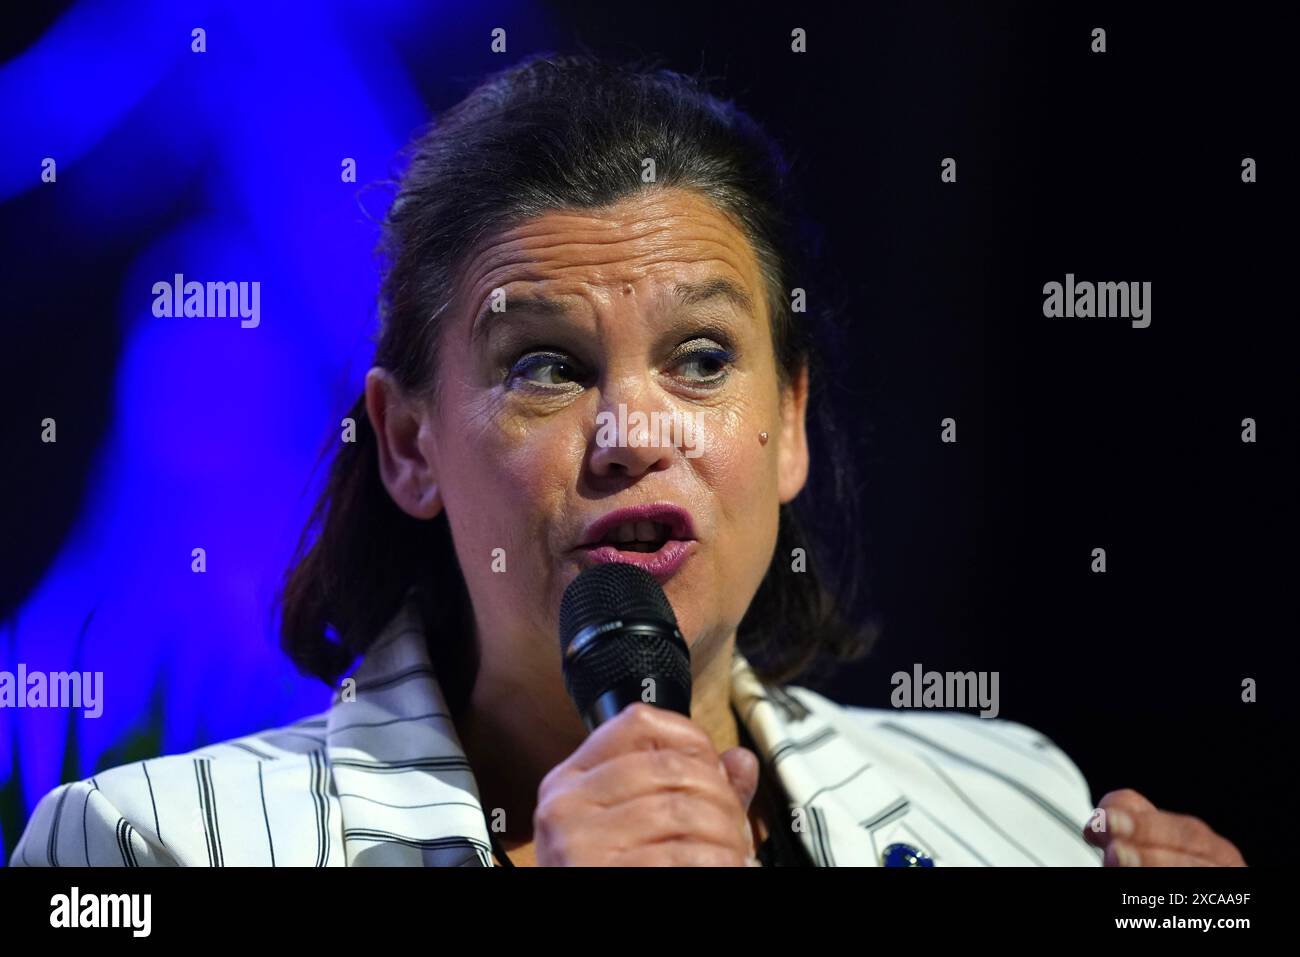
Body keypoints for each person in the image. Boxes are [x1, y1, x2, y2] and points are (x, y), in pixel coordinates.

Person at [10, 54, 1244, 868]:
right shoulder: (137, 847)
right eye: (545, 366)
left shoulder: (1021, 803)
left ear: (793, 423)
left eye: (703, 358)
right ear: (407, 444)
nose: (634, 432)